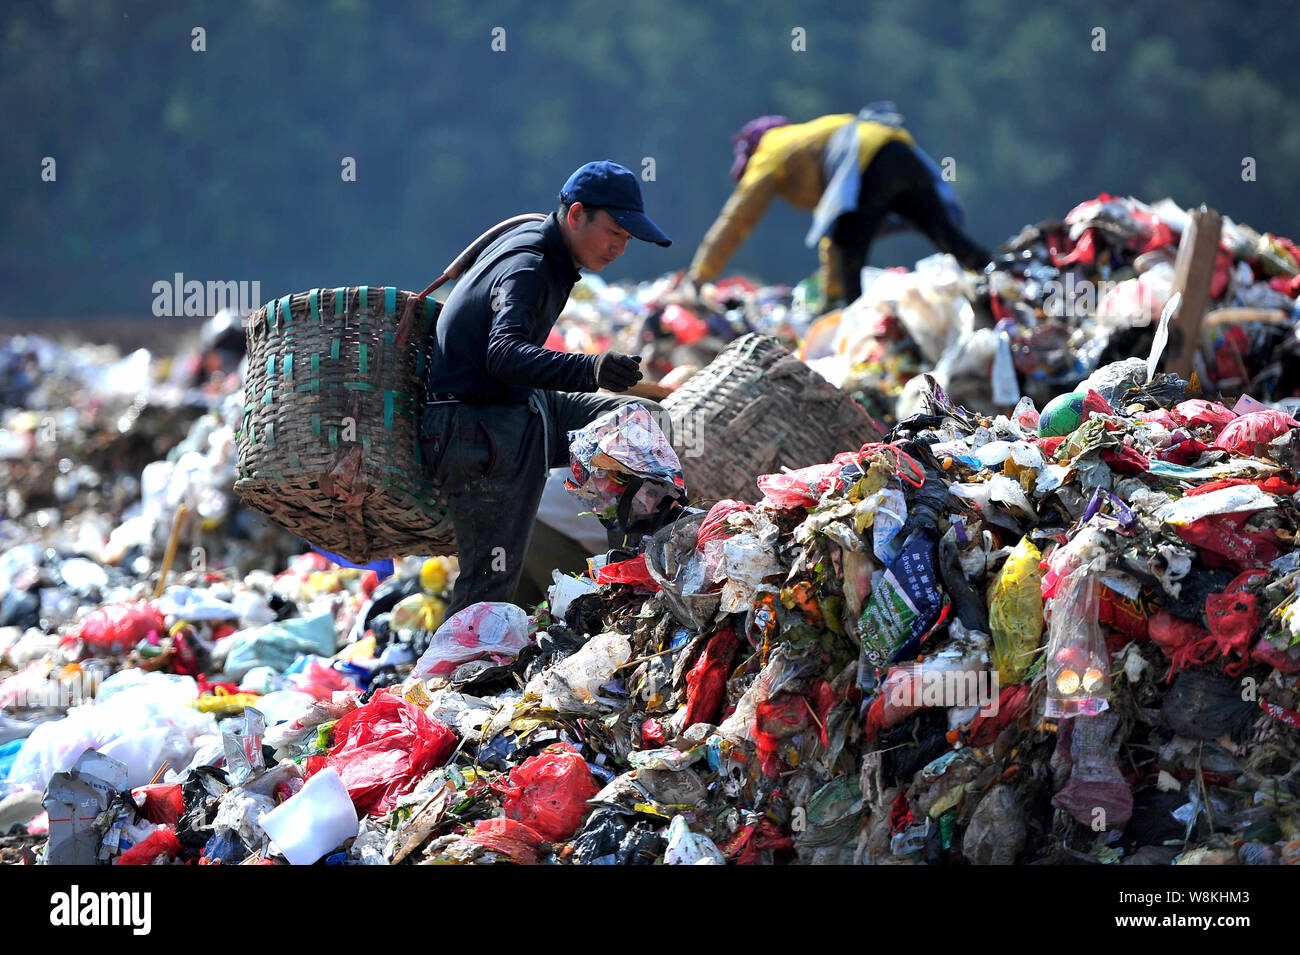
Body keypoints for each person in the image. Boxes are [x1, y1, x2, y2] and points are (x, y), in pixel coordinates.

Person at [420, 160, 674, 617]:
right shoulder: (530, 265)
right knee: (489, 585)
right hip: (477, 429)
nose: (620, 248)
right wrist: (592, 369)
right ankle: (453, 662)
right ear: (576, 215)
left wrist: (597, 375)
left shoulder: (549, 249)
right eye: (614, 232)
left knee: (636, 420)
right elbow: (502, 355)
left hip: (520, 406)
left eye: (627, 239)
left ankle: (637, 563)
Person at [684, 106, 991, 310]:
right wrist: (829, 292)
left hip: (869, 164)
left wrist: (700, 274)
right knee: (944, 233)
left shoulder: (770, 150)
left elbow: (737, 217)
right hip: (900, 152)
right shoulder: (809, 139)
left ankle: (854, 318)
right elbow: (831, 225)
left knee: (850, 254)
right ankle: (995, 277)